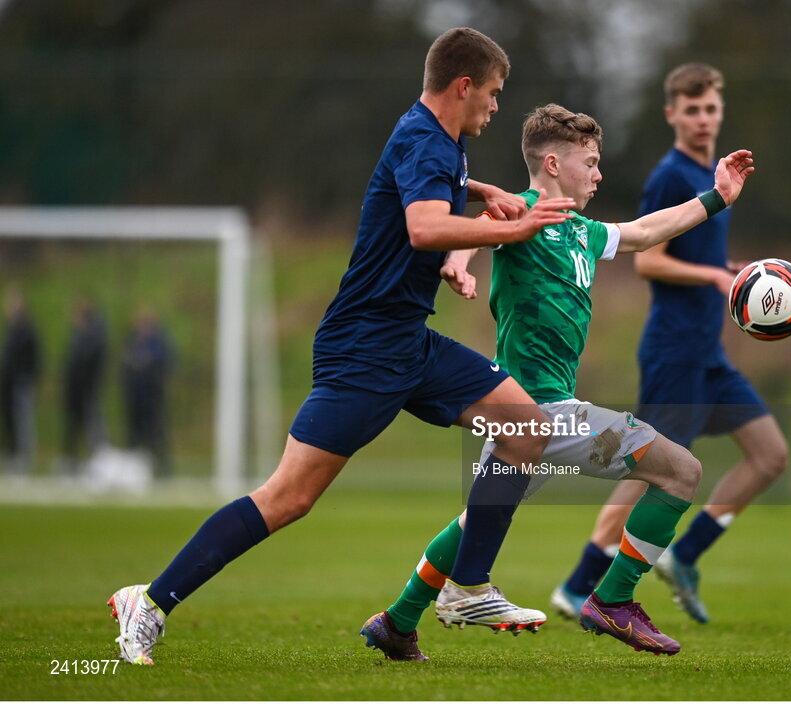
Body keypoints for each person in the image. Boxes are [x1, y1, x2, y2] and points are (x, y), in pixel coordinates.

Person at [107, 27, 580, 666]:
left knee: (527, 427)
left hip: (408, 342)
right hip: (364, 348)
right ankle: (151, 600)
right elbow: (420, 227)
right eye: (493, 95)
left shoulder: (438, 140)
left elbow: (423, 188)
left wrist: (482, 190)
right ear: (463, 87)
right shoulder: (425, 140)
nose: (496, 108)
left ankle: (467, 586)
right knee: (288, 497)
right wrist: (514, 224)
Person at [363, 104, 754, 659]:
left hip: (534, 415)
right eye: (590, 163)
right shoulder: (520, 211)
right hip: (539, 410)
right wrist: (459, 261)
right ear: (552, 163)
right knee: (682, 471)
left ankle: (398, 622)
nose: (599, 175)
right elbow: (477, 229)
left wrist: (716, 198)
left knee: (477, 523)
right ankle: (612, 600)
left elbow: (643, 232)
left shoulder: (583, 232)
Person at [551, 63, 789, 626]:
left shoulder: (715, 172)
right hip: (674, 351)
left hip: (709, 353)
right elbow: (649, 260)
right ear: (672, 114)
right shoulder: (671, 175)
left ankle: (684, 553)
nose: (704, 119)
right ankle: (580, 584)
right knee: (653, 469)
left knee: (770, 454)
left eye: (712, 109)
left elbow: (698, 258)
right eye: (693, 109)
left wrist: (729, 272)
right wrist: (712, 278)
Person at [121, 309, 173, 478]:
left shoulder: (158, 343)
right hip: (135, 396)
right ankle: (133, 469)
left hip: (152, 397)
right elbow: (125, 366)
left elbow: (166, 361)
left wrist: (148, 363)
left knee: (156, 433)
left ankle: (162, 468)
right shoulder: (132, 342)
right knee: (134, 433)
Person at [62, 297, 107, 470]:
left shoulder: (94, 337)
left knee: (94, 425)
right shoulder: (79, 337)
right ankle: (72, 458)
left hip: (89, 389)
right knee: (75, 425)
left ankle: (99, 460)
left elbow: (88, 365)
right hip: (77, 391)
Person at [1, 287, 41, 475]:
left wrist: (30, 378)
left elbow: (34, 358)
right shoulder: (11, 330)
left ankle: (26, 457)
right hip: (8, 384)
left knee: (24, 419)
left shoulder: (27, 330)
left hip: (22, 382)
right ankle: (13, 454)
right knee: (12, 420)